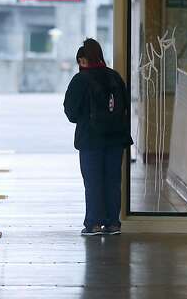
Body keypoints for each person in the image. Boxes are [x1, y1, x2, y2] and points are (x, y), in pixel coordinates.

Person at [63, 38, 132, 236]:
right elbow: (125, 106)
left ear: (83, 60)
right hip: (116, 138)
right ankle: (112, 223)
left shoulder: (80, 80)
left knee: (93, 181)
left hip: (91, 139)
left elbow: (71, 112)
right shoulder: (115, 77)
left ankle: (93, 224)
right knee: (112, 180)